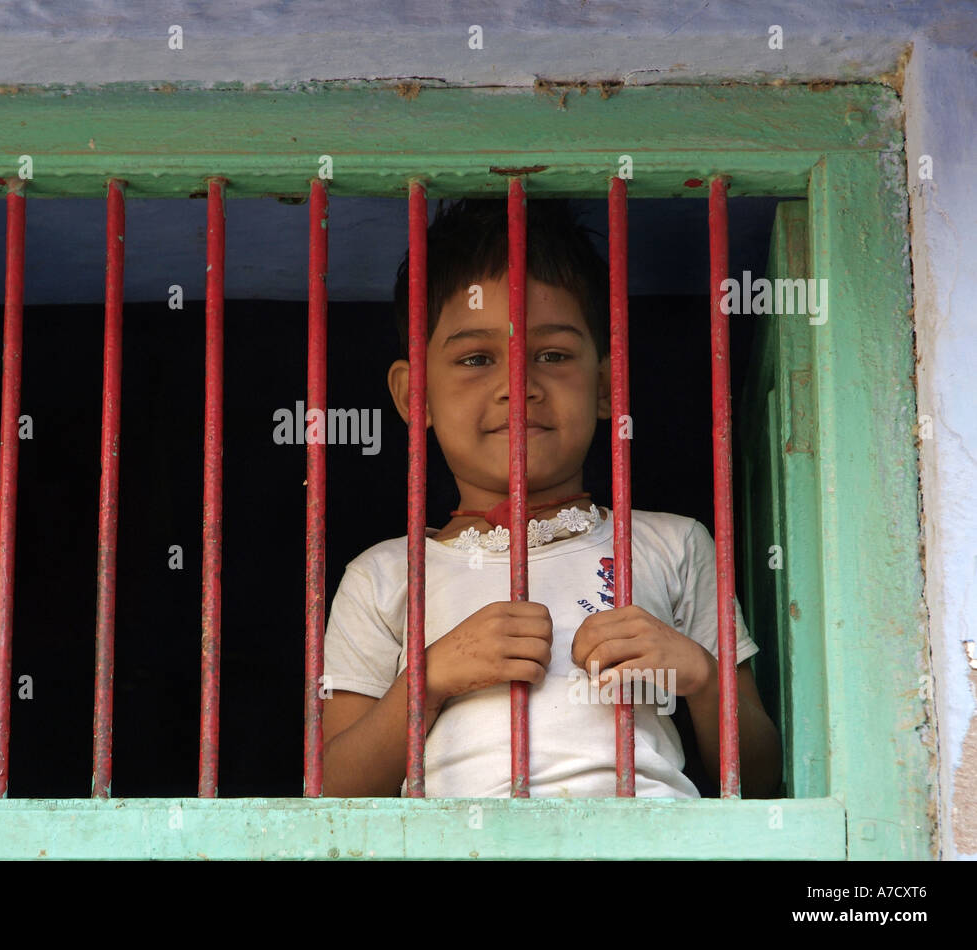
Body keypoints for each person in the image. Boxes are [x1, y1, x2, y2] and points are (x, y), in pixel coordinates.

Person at [321, 198, 782, 799]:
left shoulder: (674, 544)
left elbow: (764, 779)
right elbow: (332, 793)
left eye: (553, 355)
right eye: (476, 358)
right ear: (417, 397)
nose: (519, 385)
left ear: (605, 386)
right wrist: (428, 680)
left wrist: (698, 674)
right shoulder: (383, 576)